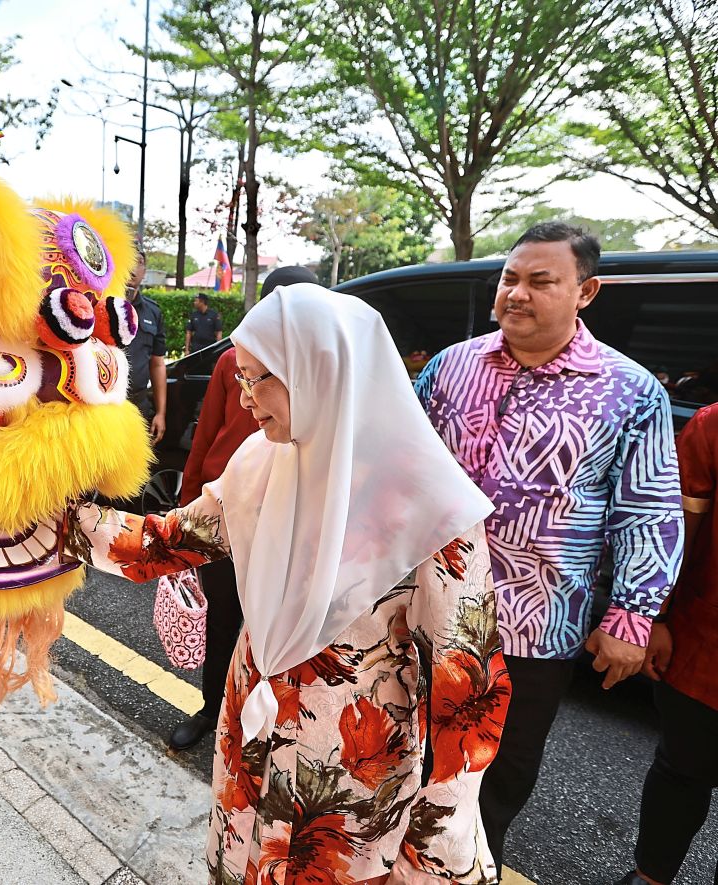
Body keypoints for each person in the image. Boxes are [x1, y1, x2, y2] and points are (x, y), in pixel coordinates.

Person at [67, 284, 509, 884]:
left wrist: (440, 835)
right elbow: (166, 542)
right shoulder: (261, 462)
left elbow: (468, 689)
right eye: (240, 378)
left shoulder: (429, 509)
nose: (245, 398)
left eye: (259, 379)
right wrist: (52, 519)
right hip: (250, 729)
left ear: (321, 370)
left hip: (346, 768)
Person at [414, 222, 684, 875]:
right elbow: (401, 469)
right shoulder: (451, 366)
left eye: (540, 281)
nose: (517, 293)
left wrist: (630, 617)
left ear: (585, 290)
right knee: (411, 767)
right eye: (511, 278)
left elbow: (647, 508)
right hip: (428, 611)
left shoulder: (630, 390)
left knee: (492, 788)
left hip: (533, 631)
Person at [167, 266, 320, 753]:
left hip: (286, 528)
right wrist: (189, 500)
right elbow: (207, 430)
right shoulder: (234, 361)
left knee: (268, 630)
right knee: (221, 620)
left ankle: (259, 723)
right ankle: (212, 709)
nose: (252, 396)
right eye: (246, 381)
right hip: (225, 514)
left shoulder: (318, 378)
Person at [618, 403, 718, 885]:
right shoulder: (712, 426)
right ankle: (651, 878)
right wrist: (652, 617)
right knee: (681, 770)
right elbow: (674, 530)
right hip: (705, 643)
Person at [123, 247, 166, 443]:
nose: (133, 267)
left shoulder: (153, 312)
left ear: (145, 271)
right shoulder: (99, 302)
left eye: (139, 262)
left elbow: (157, 364)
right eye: (129, 259)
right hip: (101, 404)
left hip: (138, 403)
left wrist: (160, 413)